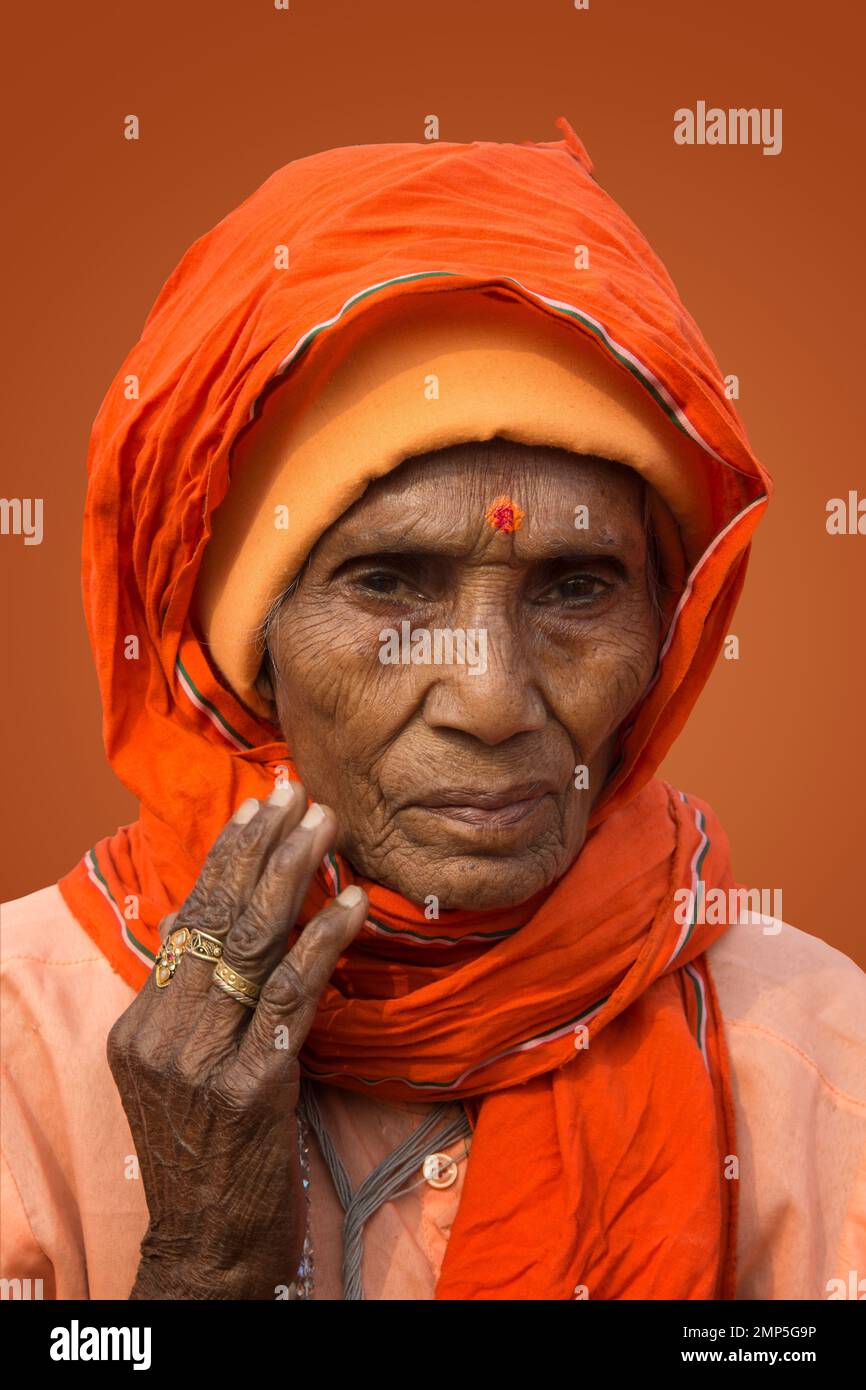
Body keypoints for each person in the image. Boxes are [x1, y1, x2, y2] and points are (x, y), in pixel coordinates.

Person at [2, 119, 865, 1303]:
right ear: (238, 648)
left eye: (576, 587)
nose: (493, 700)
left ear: (664, 633)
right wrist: (201, 1265)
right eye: (388, 583)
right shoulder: (27, 1046)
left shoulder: (811, 1056)